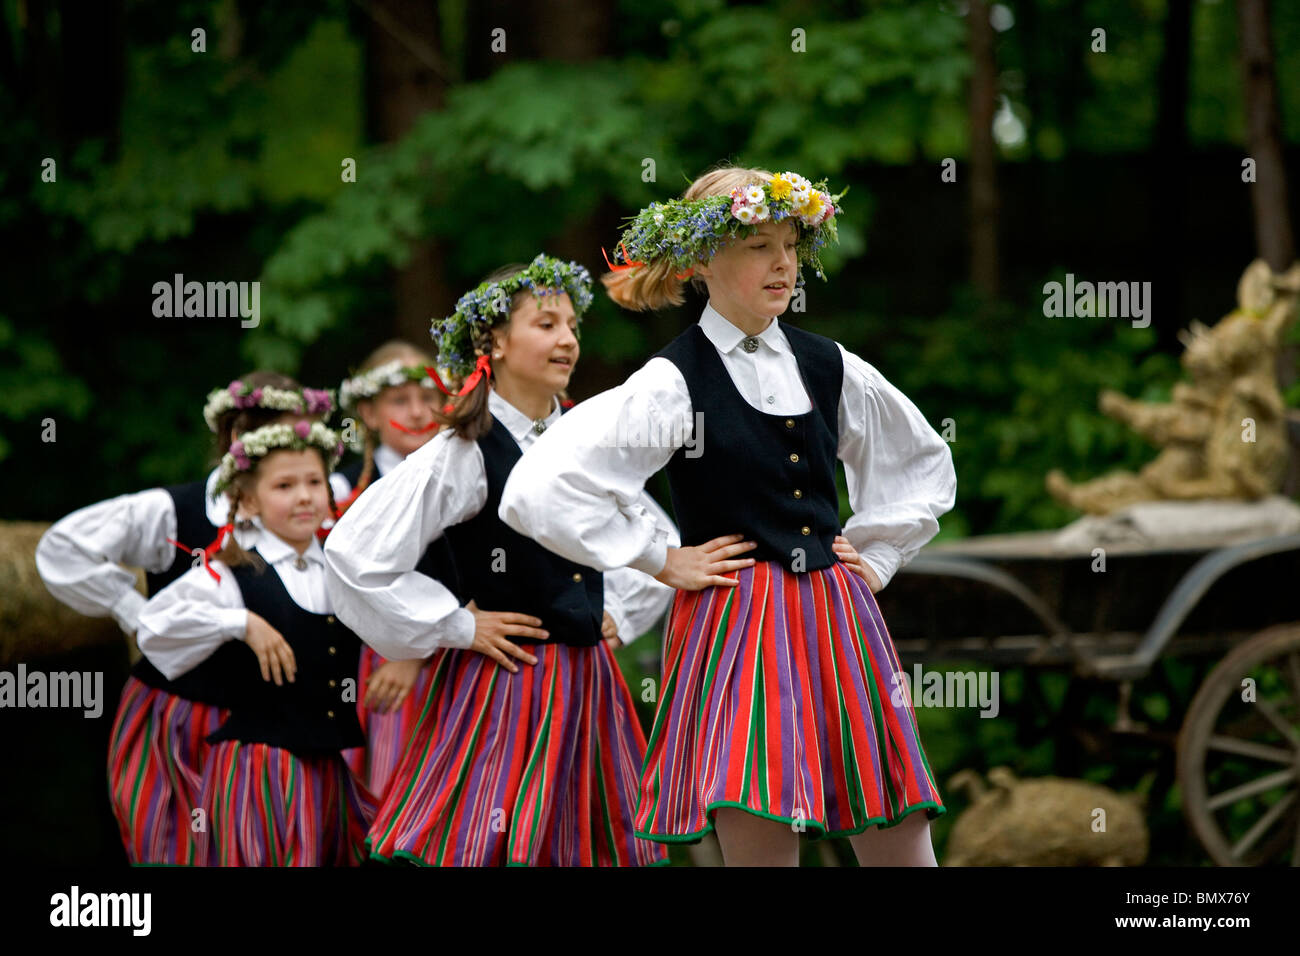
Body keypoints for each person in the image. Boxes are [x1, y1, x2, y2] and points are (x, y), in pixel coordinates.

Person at [499, 167, 957, 866]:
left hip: (839, 619)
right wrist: (657, 558)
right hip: (736, 620)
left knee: (898, 828)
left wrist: (880, 556)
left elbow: (922, 464)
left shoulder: (830, 365)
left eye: (790, 245)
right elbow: (536, 489)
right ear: (703, 260)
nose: (782, 263)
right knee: (759, 829)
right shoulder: (673, 380)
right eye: (756, 246)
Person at [325, 254, 674, 865]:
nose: (567, 338)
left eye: (571, 325)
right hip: (507, 686)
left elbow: (650, 533)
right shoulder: (463, 450)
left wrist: (613, 605)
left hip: (588, 681)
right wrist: (459, 624)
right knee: (495, 844)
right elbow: (356, 555)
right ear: (496, 341)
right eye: (545, 324)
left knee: (587, 846)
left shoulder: (582, 439)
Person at [35, 373, 337, 864]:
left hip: (274, 736)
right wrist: (136, 612)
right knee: (174, 845)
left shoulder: (312, 517)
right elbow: (64, 549)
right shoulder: (174, 511)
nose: (299, 452)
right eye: (284, 437)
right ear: (240, 440)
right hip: (180, 718)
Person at [137, 420, 374, 865]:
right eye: (284, 485)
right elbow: (153, 628)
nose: (304, 496)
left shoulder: (339, 566)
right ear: (247, 500)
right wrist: (239, 621)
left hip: (325, 764)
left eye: (314, 482)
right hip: (261, 770)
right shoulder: (232, 571)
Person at [333, 340, 459, 801]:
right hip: (369, 667)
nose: (417, 411)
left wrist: (417, 652)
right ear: (367, 412)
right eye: (399, 400)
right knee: (383, 795)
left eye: (428, 398)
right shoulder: (339, 489)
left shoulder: (462, 477)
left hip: (455, 655)